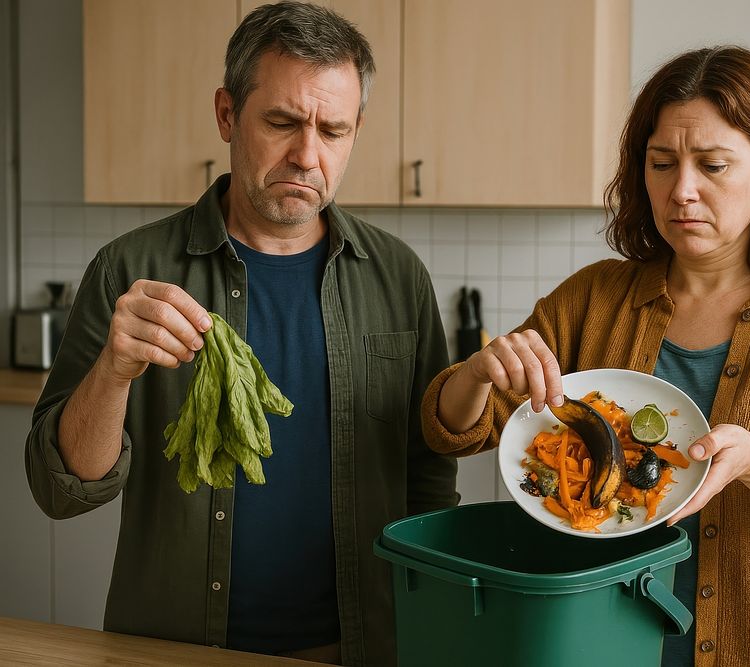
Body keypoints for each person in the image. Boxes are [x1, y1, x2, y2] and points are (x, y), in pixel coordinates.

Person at [421, 45, 750, 666]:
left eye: (713, 165)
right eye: (661, 163)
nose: (682, 191)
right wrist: (475, 372)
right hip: (599, 646)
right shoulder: (593, 297)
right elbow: (454, 432)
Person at [25, 3, 458, 665]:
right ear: (228, 114)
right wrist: (113, 370)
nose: (307, 154)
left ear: (356, 131)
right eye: (282, 121)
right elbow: (60, 491)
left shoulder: (399, 277)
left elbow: (429, 483)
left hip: (359, 647)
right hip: (171, 651)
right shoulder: (129, 270)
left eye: (334, 129)